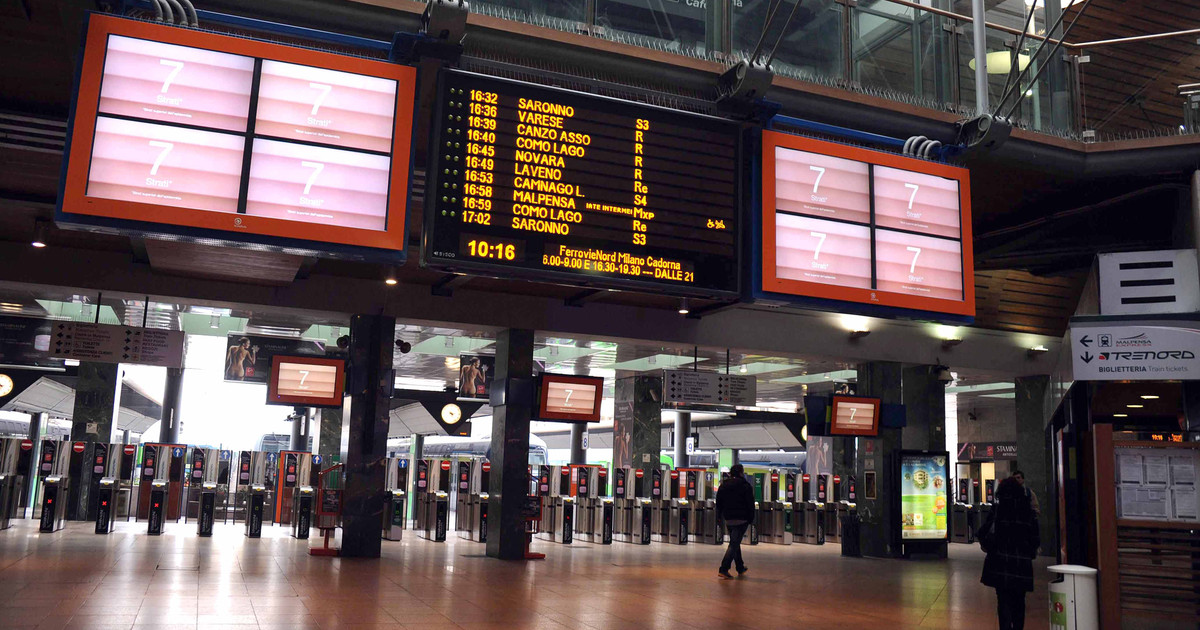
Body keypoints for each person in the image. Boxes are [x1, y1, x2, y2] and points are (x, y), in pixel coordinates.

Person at [979, 476, 1040, 630]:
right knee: (1019, 601)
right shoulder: (1028, 511)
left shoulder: (999, 509)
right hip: (1021, 565)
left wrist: (989, 546)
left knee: (1003, 601)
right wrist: (1029, 553)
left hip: (1000, 562)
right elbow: (1035, 539)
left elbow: (984, 531)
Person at [715, 464, 756, 579]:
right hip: (741, 519)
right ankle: (723, 569)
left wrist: (719, 516)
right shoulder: (745, 486)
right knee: (734, 544)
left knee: (735, 542)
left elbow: (719, 502)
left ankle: (740, 567)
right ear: (741, 473)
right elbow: (750, 504)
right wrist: (751, 518)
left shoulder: (724, 485)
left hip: (728, 518)